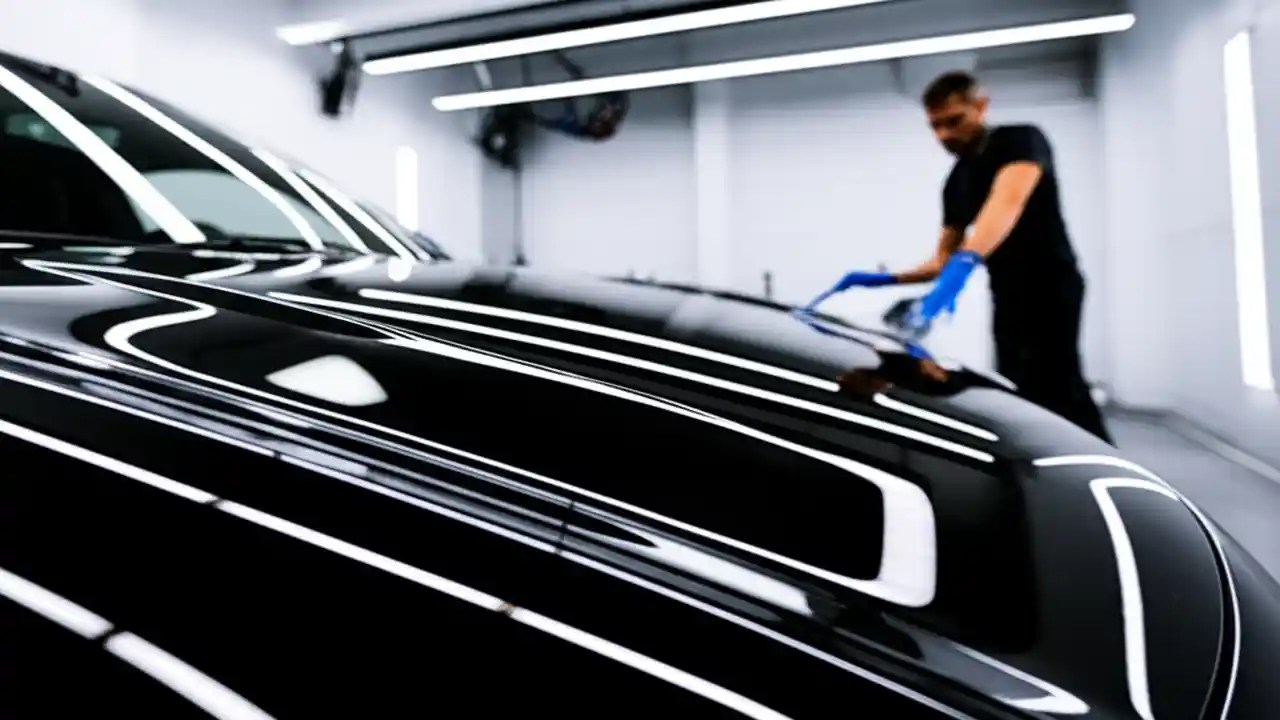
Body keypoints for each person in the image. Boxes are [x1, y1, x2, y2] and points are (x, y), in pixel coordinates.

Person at [809, 71, 1112, 443]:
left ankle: (1107, 465)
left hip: (1052, 286)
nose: (944, 136)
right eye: (935, 126)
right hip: (1007, 291)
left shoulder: (1020, 140)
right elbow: (941, 262)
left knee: (1059, 385)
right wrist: (879, 280)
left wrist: (964, 266)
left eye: (954, 121)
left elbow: (1005, 208)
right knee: (1017, 384)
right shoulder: (956, 181)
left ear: (980, 107)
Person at [532, 52, 630, 141]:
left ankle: (561, 61)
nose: (596, 126)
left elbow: (563, 125)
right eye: (598, 126)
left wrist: (539, 120)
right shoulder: (614, 111)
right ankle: (561, 59)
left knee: (566, 117)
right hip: (608, 95)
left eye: (595, 128)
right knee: (580, 77)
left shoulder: (583, 130)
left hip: (595, 103)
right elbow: (618, 101)